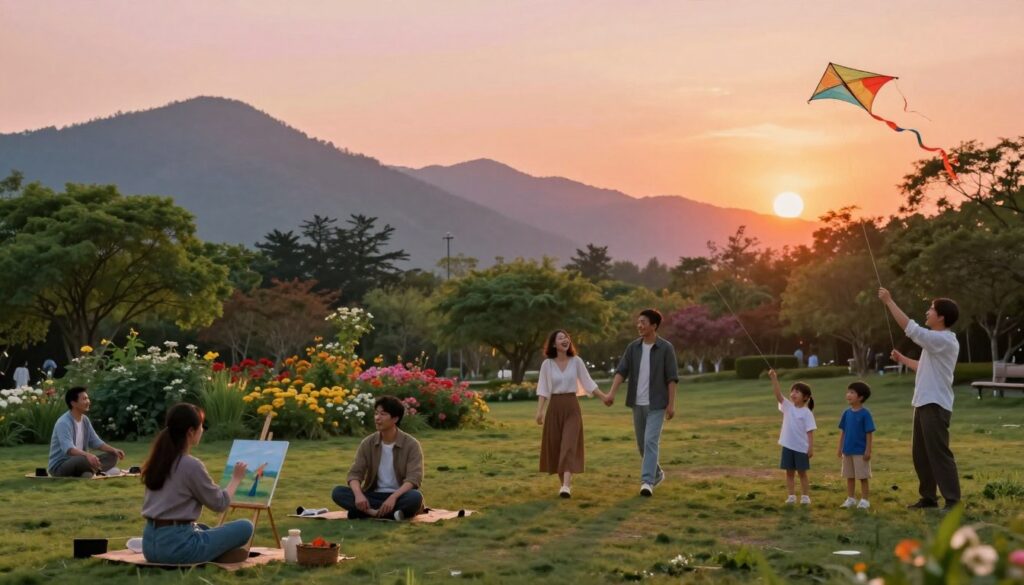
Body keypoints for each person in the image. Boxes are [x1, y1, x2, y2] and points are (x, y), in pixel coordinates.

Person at [879, 287, 961, 510]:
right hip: (923, 402)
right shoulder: (936, 341)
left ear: (941, 317)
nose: (927, 312)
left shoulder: (944, 339)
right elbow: (922, 366)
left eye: (931, 309)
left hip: (935, 404)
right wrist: (903, 358)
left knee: (938, 454)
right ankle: (928, 498)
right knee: (921, 454)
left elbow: (911, 329)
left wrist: (889, 301)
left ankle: (953, 501)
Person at [140, 403, 253, 564]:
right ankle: (217, 553)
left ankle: (215, 552)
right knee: (245, 527)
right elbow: (219, 504)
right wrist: (236, 478)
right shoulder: (190, 465)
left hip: (150, 546)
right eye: (201, 427)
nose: (203, 430)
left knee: (203, 528)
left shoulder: (158, 460)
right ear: (191, 432)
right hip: (177, 549)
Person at [603, 309, 679, 497]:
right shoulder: (633, 348)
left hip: (657, 404)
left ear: (654, 326)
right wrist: (611, 393)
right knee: (642, 445)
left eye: (643, 322)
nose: (639, 325)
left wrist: (671, 404)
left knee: (650, 441)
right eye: (638, 322)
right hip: (638, 403)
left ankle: (647, 482)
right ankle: (658, 473)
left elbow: (672, 378)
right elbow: (621, 371)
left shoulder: (666, 348)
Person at [535, 329, 608, 498]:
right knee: (556, 447)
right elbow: (543, 389)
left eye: (566, 337)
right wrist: (540, 412)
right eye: (561, 338)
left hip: (572, 407)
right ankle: (564, 485)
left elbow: (589, 383)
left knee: (568, 445)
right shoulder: (547, 364)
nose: (565, 339)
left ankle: (566, 485)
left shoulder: (576, 361)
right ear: (554, 344)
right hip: (554, 407)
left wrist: (604, 397)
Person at [332, 395, 425, 520]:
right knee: (338, 492)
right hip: (373, 495)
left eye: (383, 414)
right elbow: (355, 474)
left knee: (415, 498)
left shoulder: (411, 444)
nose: (377, 418)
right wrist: (359, 496)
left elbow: (414, 479)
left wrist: (393, 498)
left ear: (395, 418)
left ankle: (364, 512)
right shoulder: (368, 443)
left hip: (399, 495)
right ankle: (386, 514)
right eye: (376, 413)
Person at [48, 386, 125, 477]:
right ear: (73, 403)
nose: (88, 401)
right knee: (83, 459)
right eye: (84, 399)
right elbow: (69, 449)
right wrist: (87, 455)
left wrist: (114, 450)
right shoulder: (64, 423)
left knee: (112, 456)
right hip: (61, 467)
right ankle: (98, 472)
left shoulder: (85, 420)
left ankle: (88, 473)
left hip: (81, 462)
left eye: (87, 398)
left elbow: (96, 442)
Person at [768, 369, 816, 505]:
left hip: (801, 448)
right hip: (788, 446)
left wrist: (810, 448)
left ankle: (805, 497)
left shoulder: (807, 413)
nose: (793, 394)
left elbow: (810, 432)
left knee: (802, 473)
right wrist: (774, 379)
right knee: (789, 473)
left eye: (797, 392)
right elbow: (778, 395)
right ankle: (791, 496)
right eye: (793, 391)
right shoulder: (788, 407)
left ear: (805, 397)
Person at [838, 381, 875, 509]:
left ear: (860, 397)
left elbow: (869, 433)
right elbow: (843, 431)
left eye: (852, 392)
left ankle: (865, 500)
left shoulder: (865, 414)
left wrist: (868, 450)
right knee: (849, 476)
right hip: (847, 451)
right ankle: (851, 498)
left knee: (863, 476)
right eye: (848, 392)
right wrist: (840, 448)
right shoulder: (846, 413)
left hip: (860, 451)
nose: (848, 394)